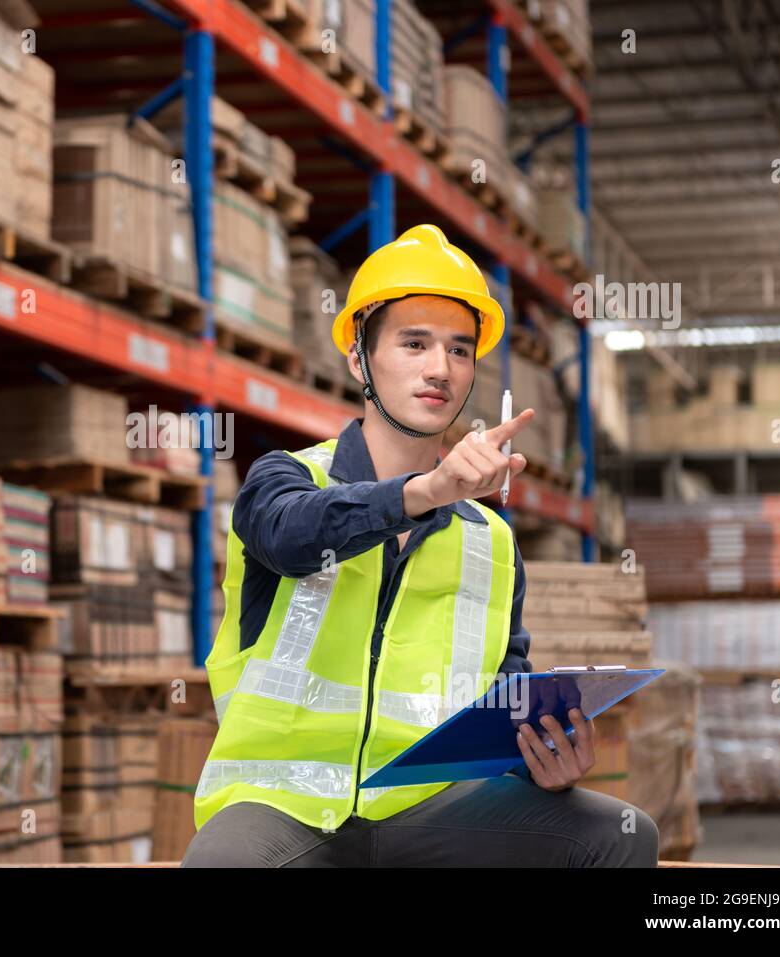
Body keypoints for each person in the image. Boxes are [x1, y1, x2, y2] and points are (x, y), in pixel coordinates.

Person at [182, 224, 658, 867]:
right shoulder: (286, 479)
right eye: (414, 344)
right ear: (359, 360)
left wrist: (548, 760)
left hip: (427, 806)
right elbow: (290, 539)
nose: (441, 368)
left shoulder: (490, 540)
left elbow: (505, 693)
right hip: (280, 805)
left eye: (460, 351)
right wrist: (424, 490)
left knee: (615, 836)